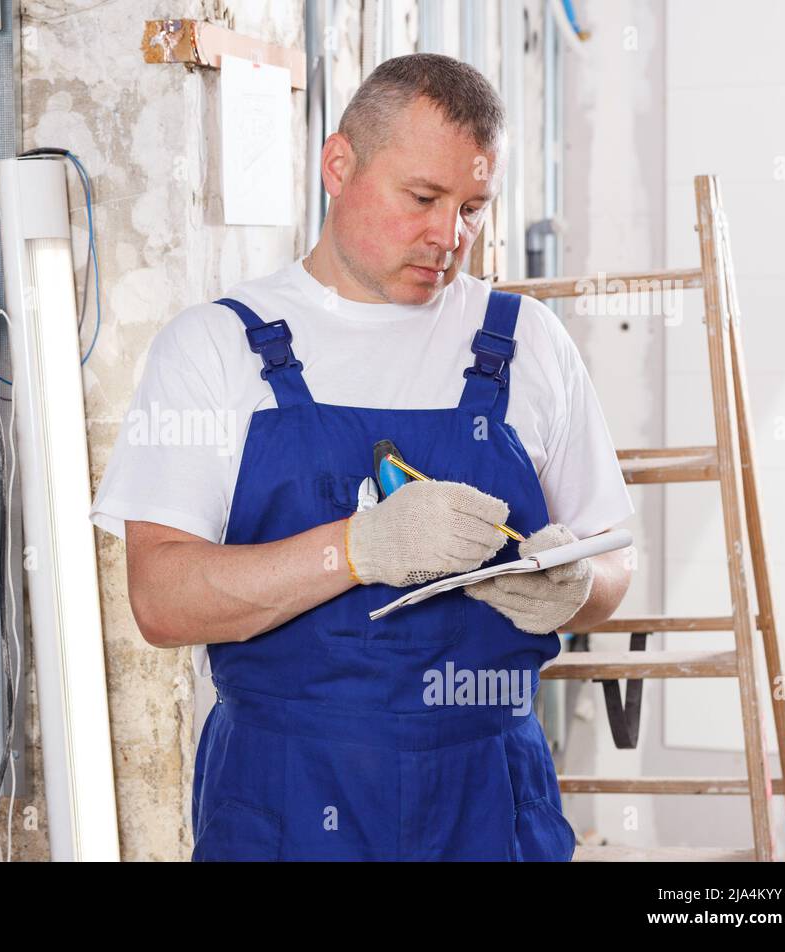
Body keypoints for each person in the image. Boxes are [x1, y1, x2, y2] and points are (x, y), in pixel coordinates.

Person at [90, 53, 634, 861]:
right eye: (423, 198)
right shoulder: (215, 349)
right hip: (286, 790)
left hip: (488, 791)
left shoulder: (527, 345)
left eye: (474, 208)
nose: (449, 237)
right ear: (338, 165)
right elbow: (161, 599)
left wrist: (578, 586)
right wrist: (356, 550)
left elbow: (613, 564)